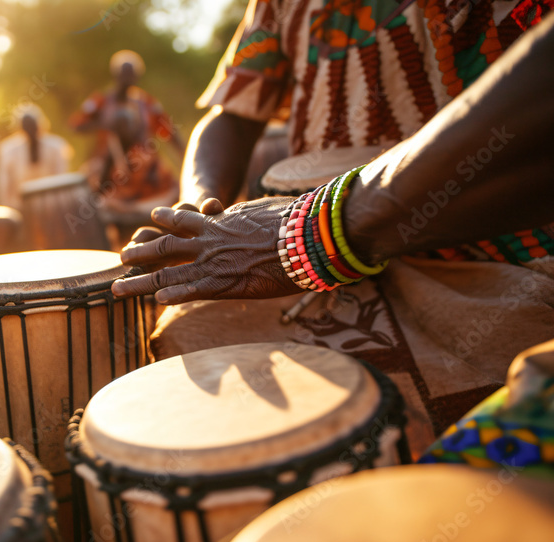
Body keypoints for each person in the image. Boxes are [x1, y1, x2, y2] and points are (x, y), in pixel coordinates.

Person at [112, 14, 554, 455]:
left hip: (508, 262)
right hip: (311, 263)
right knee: (189, 334)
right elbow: (233, 116)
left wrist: (310, 233)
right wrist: (200, 209)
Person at [184, 0, 551, 208]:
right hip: (312, 245)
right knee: (194, 315)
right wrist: (200, 204)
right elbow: (235, 118)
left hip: (494, 248)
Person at [70, 50, 185, 240]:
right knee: (87, 198)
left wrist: (184, 154)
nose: (127, 79)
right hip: (107, 162)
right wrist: (105, 123)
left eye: (131, 74)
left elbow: (168, 129)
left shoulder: (146, 103)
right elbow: (77, 125)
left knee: (171, 189)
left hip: (143, 163)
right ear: (115, 74)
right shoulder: (101, 101)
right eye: (123, 74)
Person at [0, 104, 72, 210]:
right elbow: (4, 188)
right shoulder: (7, 150)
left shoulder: (57, 146)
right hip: (21, 208)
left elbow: (62, 182)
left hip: (50, 208)